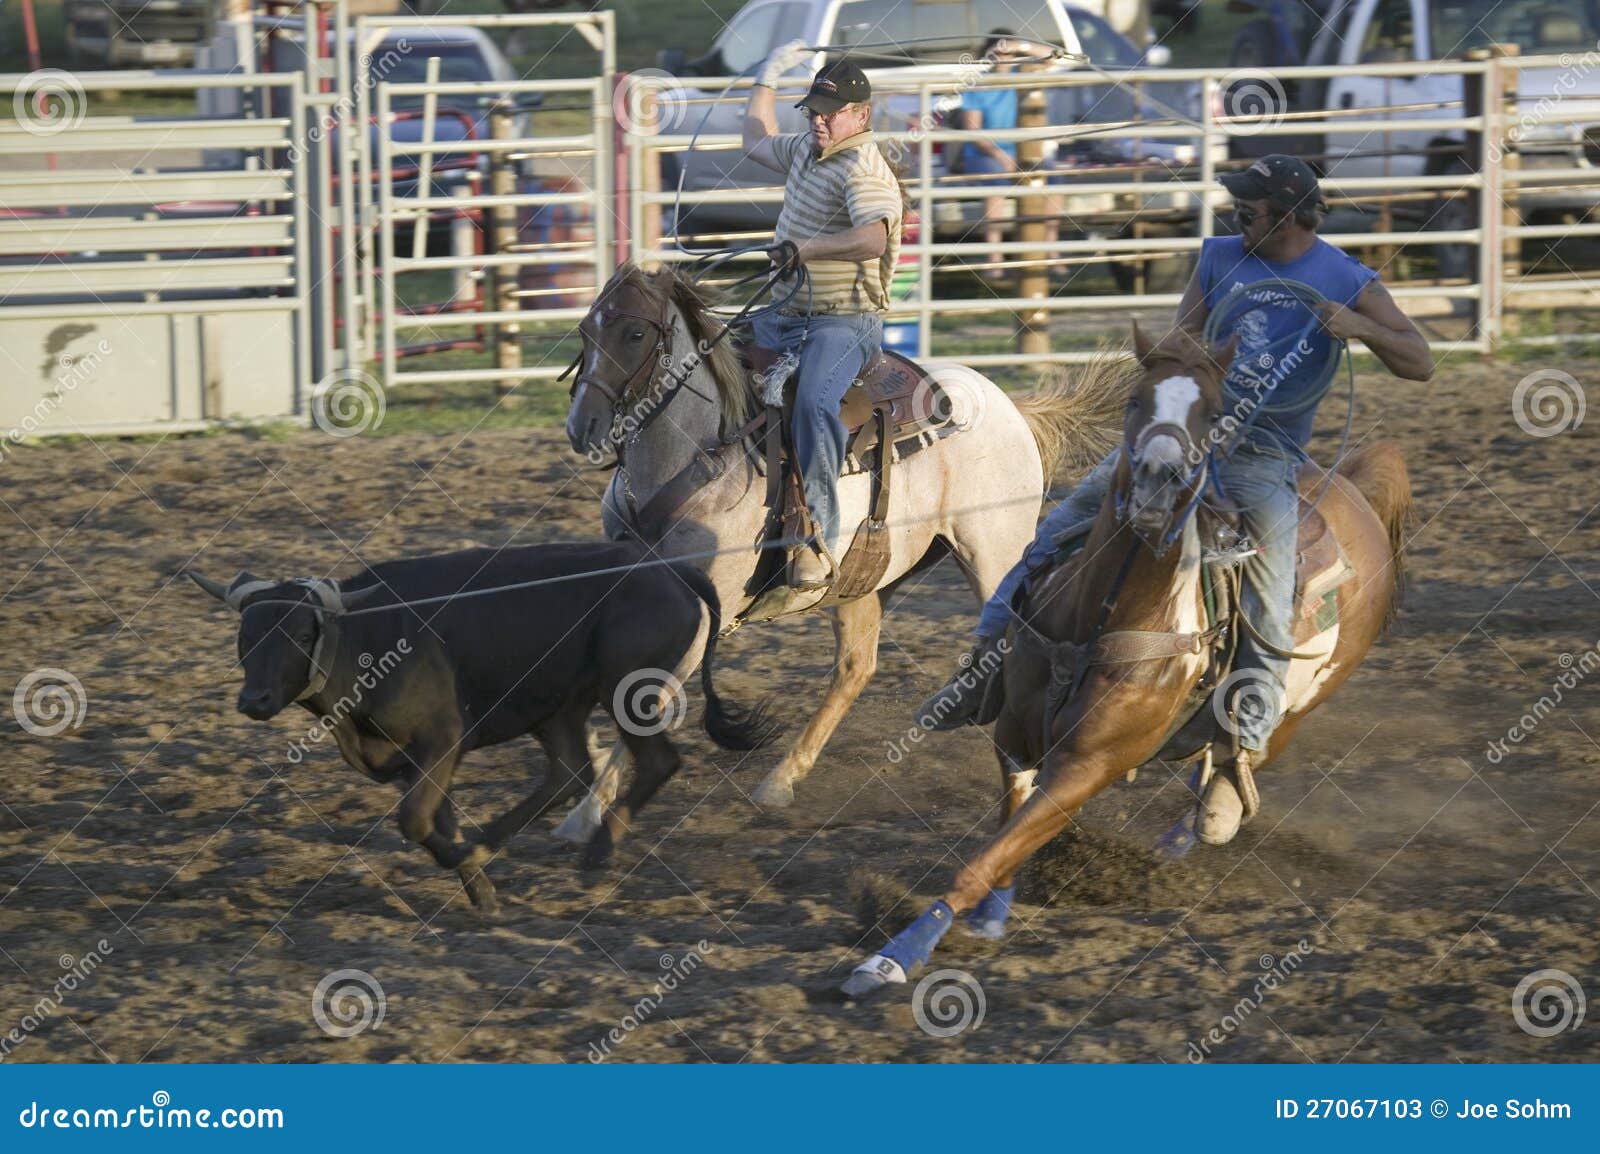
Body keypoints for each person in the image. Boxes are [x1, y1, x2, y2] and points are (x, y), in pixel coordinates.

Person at [915, 154, 1434, 844]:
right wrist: (1178, 376)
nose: (1235, 215)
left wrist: (1362, 328)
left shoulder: (1345, 279)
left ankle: (1247, 729)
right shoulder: (1219, 256)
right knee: (1062, 527)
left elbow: (1420, 360)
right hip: (1187, 431)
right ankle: (984, 666)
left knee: (1271, 573)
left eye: (1248, 207)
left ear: (1286, 214)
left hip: (1262, 454)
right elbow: (1182, 336)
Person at [742, 44, 905, 589]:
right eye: (812, 111)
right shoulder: (806, 150)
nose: (818, 121)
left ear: (861, 115)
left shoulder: (863, 169)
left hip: (845, 321)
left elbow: (872, 238)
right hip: (786, 310)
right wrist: (767, 74)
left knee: (814, 403)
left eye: (829, 113)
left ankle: (817, 535)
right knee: (706, 360)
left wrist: (806, 249)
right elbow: (754, 139)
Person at [954, 30, 1053, 279]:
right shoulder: (976, 84)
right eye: (997, 52)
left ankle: (1050, 254)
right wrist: (1000, 156)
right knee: (995, 181)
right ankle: (994, 259)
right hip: (984, 154)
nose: (1003, 58)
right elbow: (974, 132)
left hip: (1020, 151)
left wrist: (1021, 45)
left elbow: (1053, 57)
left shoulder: (1023, 75)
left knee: (1052, 175)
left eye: (1008, 53)